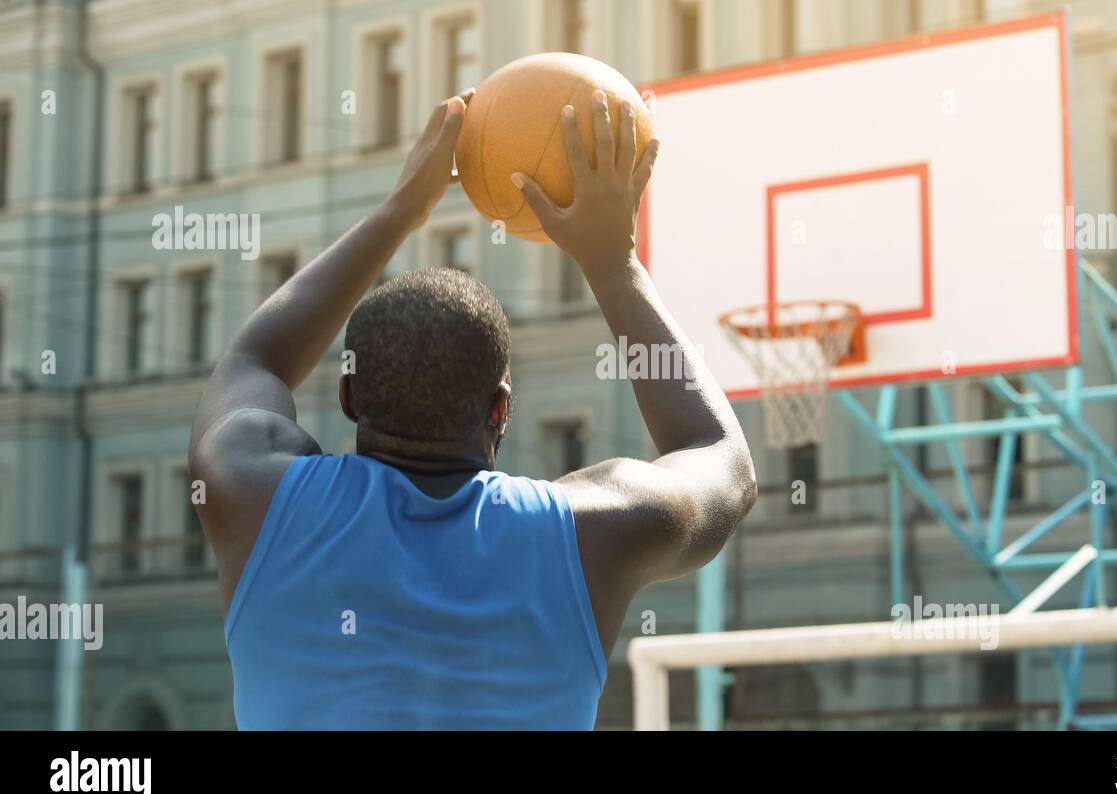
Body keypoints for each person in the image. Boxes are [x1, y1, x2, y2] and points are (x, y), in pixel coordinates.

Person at [188, 89, 757, 729]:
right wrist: (612, 260)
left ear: (348, 397)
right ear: (500, 411)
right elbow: (724, 462)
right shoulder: (587, 536)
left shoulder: (250, 493)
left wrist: (401, 210)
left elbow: (253, 360)